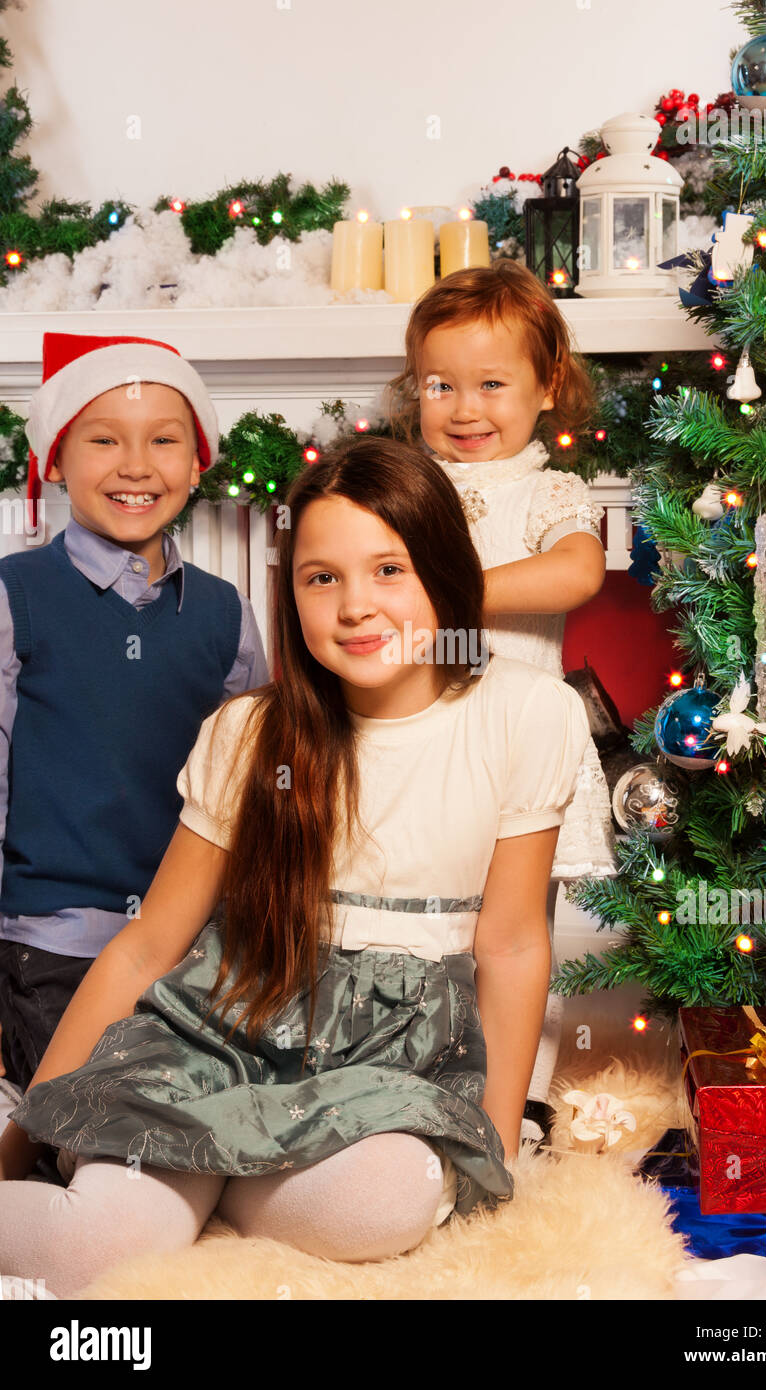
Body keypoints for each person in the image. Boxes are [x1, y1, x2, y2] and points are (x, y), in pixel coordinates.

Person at [0, 436, 589, 1297]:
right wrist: (39, 1120)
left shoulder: (526, 713)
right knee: (98, 1246)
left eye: (390, 570)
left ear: (447, 572)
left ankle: (212, 1184)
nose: (356, 606)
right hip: (222, 1035)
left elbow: (507, 945)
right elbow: (146, 946)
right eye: (322, 578)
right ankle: (171, 1175)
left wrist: (496, 1144)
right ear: (292, 596)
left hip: (396, 1062)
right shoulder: (250, 734)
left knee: (387, 1201)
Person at [0, 332, 269, 1178]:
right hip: (53, 946)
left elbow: (253, 789)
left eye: (163, 439)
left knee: (202, 1155)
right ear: (55, 459)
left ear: (199, 464)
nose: (135, 464)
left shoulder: (226, 613)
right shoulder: (18, 597)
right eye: (104, 439)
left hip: (193, 951)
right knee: (92, 1158)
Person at [386, 262, 618, 1148]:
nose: (464, 407)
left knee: (515, 934)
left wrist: (450, 589)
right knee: (424, 919)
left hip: (516, 747)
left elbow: (576, 570)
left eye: (492, 384)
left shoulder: (549, 491)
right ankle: (418, 1082)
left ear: (546, 386)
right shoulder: (408, 487)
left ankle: (517, 1096)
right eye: (441, 385)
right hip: (419, 740)